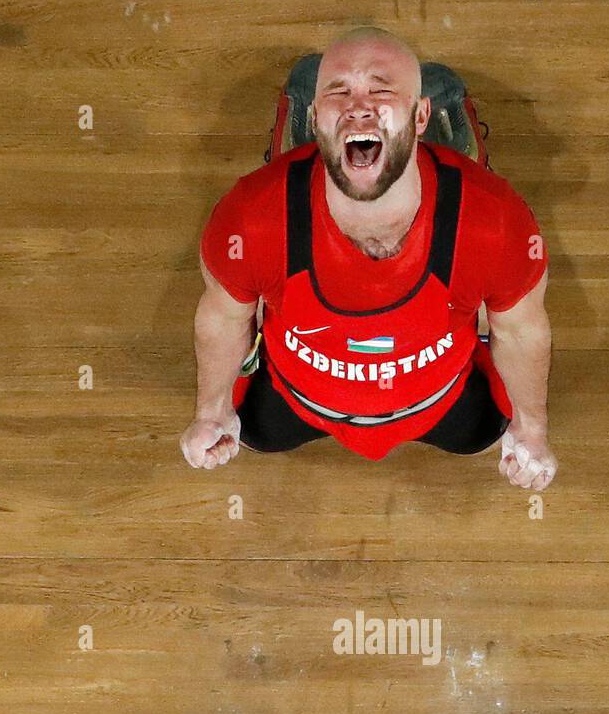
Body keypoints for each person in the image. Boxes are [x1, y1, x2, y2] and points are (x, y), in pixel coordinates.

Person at [181, 27, 555, 490]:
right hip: (295, 400)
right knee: (255, 432)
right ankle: (293, 141)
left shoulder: (495, 221)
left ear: (420, 116)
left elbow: (520, 330)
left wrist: (532, 430)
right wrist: (211, 412)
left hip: (442, 403)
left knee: (482, 434)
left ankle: (457, 150)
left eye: (382, 89)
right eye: (338, 92)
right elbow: (223, 318)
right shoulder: (250, 218)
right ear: (318, 117)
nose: (359, 105)